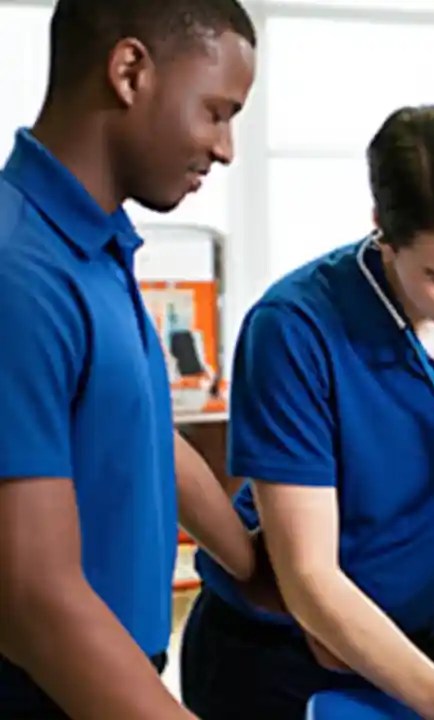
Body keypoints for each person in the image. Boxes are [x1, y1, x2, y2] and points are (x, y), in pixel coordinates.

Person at [180, 103, 434, 720]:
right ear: (382, 231)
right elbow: (308, 576)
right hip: (278, 660)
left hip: (426, 642)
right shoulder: (295, 328)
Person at [0, 1, 258, 719]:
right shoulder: (18, 266)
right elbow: (31, 600)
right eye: (216, 111)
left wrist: (253, 564)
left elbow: (139, 430)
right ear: (129, 70)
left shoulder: (96, 247)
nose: (227, 147)